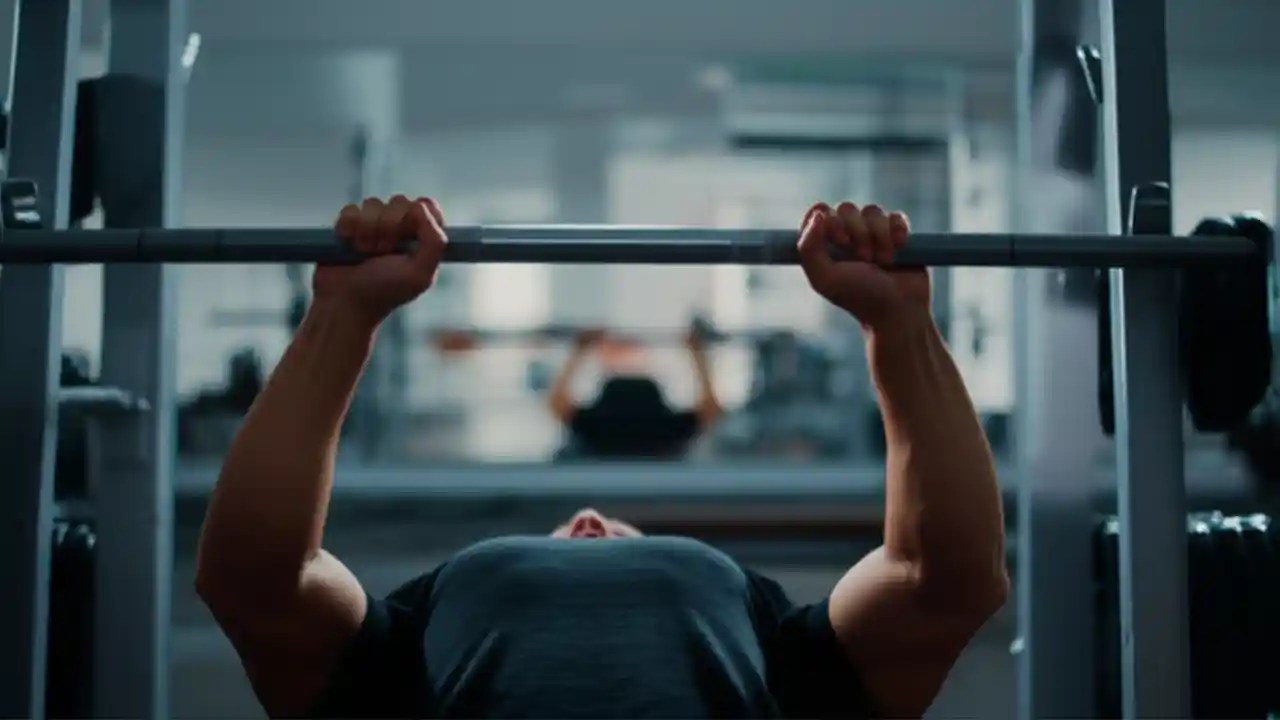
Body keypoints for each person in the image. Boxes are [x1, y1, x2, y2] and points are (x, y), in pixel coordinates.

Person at [195, 195, 1009, 719]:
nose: (587, 521)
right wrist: (897, 328)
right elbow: (942, 581)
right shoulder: (775, 641)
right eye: (605, 529)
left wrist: (346, 316)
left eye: (588, 529)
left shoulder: (411, 633)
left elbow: (254, 578)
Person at [546, 325, 722, 459]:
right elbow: (710, 412)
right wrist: (697, 355)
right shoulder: (664, 431)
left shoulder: (600, 428)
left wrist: (579, 352)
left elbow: (558, 406)